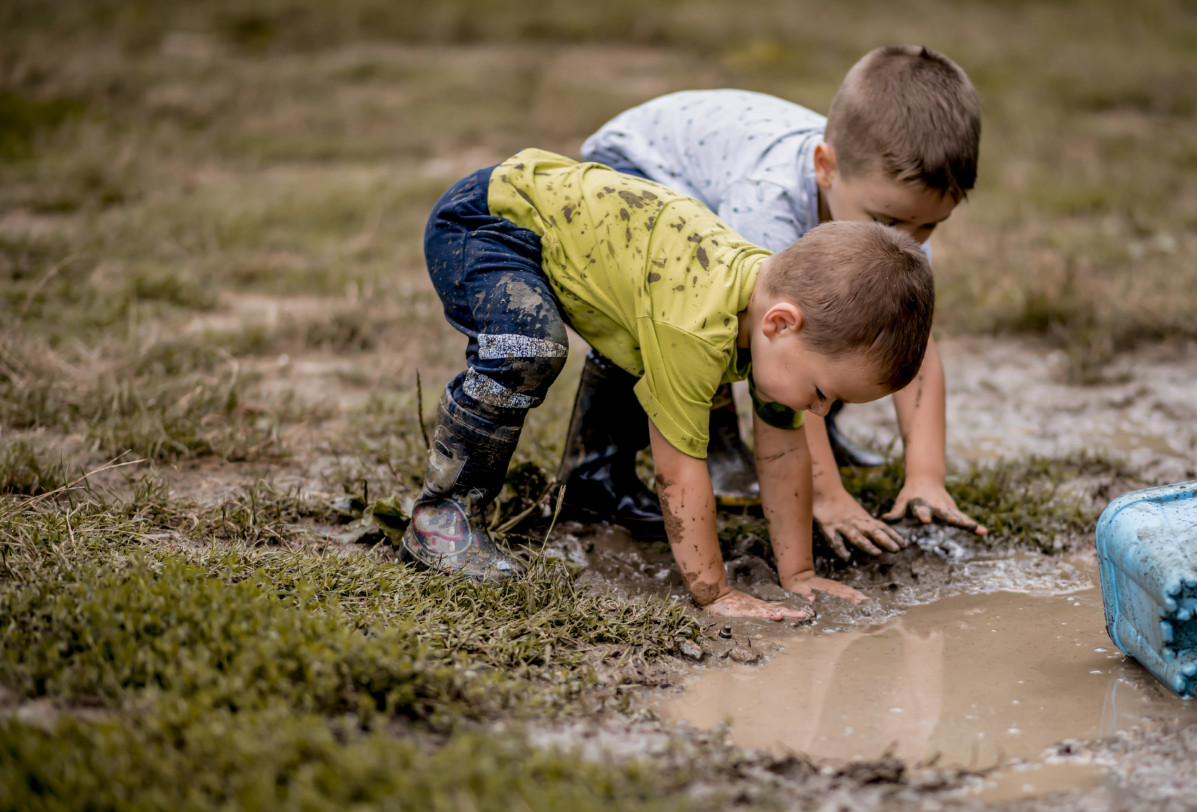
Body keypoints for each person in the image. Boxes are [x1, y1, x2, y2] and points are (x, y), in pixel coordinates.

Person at [401, 149, 935, 620]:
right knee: (529, 346)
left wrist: (799, 575)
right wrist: (714, 592)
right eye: (823, 393)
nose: (820, 412)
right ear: (780, 323)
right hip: (489, 222)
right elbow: (678, 472)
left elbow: (782, 452)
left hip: (570, 237)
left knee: (639, 347)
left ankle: (592, 485)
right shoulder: (695, 327)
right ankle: (441, 516)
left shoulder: (772, 318)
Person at [561, 44, 987, 558]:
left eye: (931, 225)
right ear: (826, 167)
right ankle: (703, 446)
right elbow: (773, 334)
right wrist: (824, 496)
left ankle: (825, 435)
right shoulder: (768, 204)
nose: (911, 238)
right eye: (890, 221)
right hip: (639, 172)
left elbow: (913, 350)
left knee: (852, 323)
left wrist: (925, 477)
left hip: (711, 174)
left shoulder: (898, 225)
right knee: (706, 316)